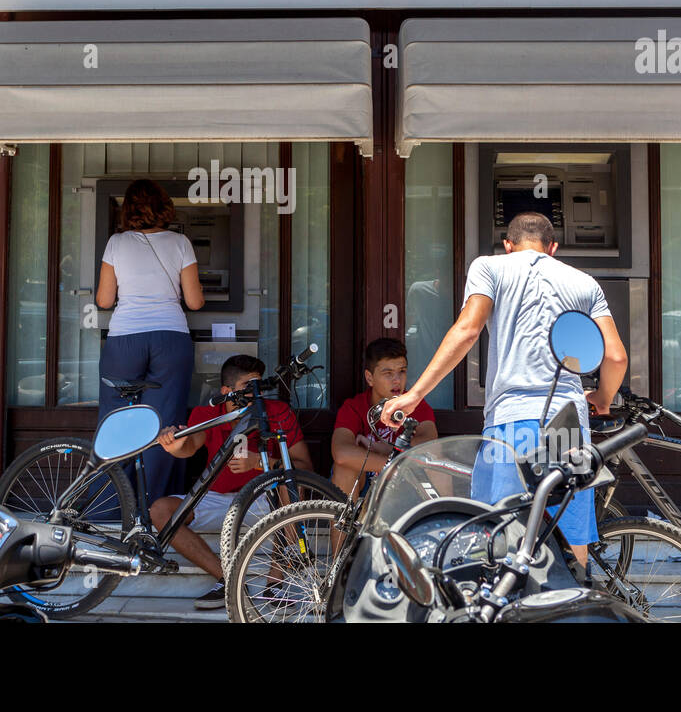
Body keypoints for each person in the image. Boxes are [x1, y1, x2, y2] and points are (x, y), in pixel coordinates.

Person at [384, 211, 628, 567]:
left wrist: (414, 394)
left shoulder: (491, 268)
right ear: (553, 248)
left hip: (512, 422)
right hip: (567, 423)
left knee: (496, 536)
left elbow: (467, 330)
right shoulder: (584, 282)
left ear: (507, 245)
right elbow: (616, 357)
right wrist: (602, 399)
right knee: (572, 538)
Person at [152, 354, 312, 610]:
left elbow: (304, 468)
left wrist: (259, 463)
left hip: (263, 501)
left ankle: (275, 584)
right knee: (160, 511)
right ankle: (228, 580)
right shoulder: (207, 413)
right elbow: (190, 446)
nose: (256, 394)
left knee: (291, 484)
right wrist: (174, 446)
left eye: (260, 386)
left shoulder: (278, 411)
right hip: (216, 499)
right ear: (226, 392)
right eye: (248, 388)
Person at [96, 179, 204, 502]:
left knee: (117, 424)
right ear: (164, 207)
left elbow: (104, 299)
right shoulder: (181, 243)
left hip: (124, 340)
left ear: (128, 209)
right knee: (165, 427)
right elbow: (195, 302)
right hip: (170, 339)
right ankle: (156, 508)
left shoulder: (116, 243)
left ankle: (111, 510)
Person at [331, 337, 438, 500]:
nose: (397, 380)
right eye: (388, 373)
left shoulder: (415, 404)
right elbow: (341, 453)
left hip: (406, 480)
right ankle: (342, 526)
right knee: (344, 468)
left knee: (438, 466)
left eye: (402, 371)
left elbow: (429, 441)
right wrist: (393, 466)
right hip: (377, 477)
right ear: (369, 378)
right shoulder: (354, 406)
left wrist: (384, 448)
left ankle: (448, 523)